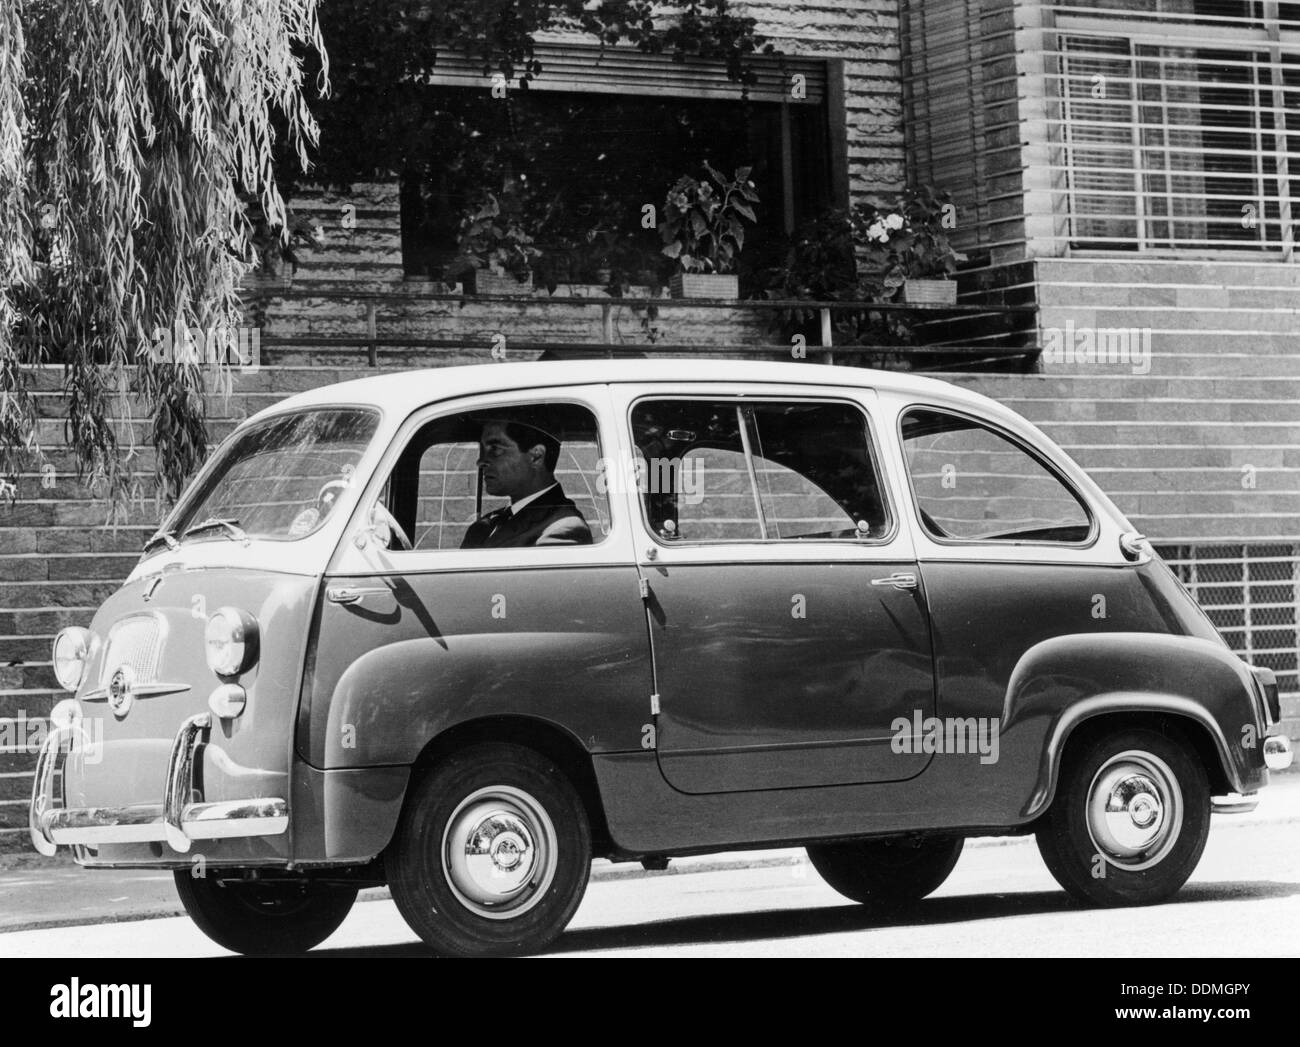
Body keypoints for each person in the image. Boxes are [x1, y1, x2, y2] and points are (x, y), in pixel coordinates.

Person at [460, 414, 592, 549]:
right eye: (483, 449)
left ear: (536, 456)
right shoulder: (488, 524)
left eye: (495, 449)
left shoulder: (562, 529)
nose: (480, 461)